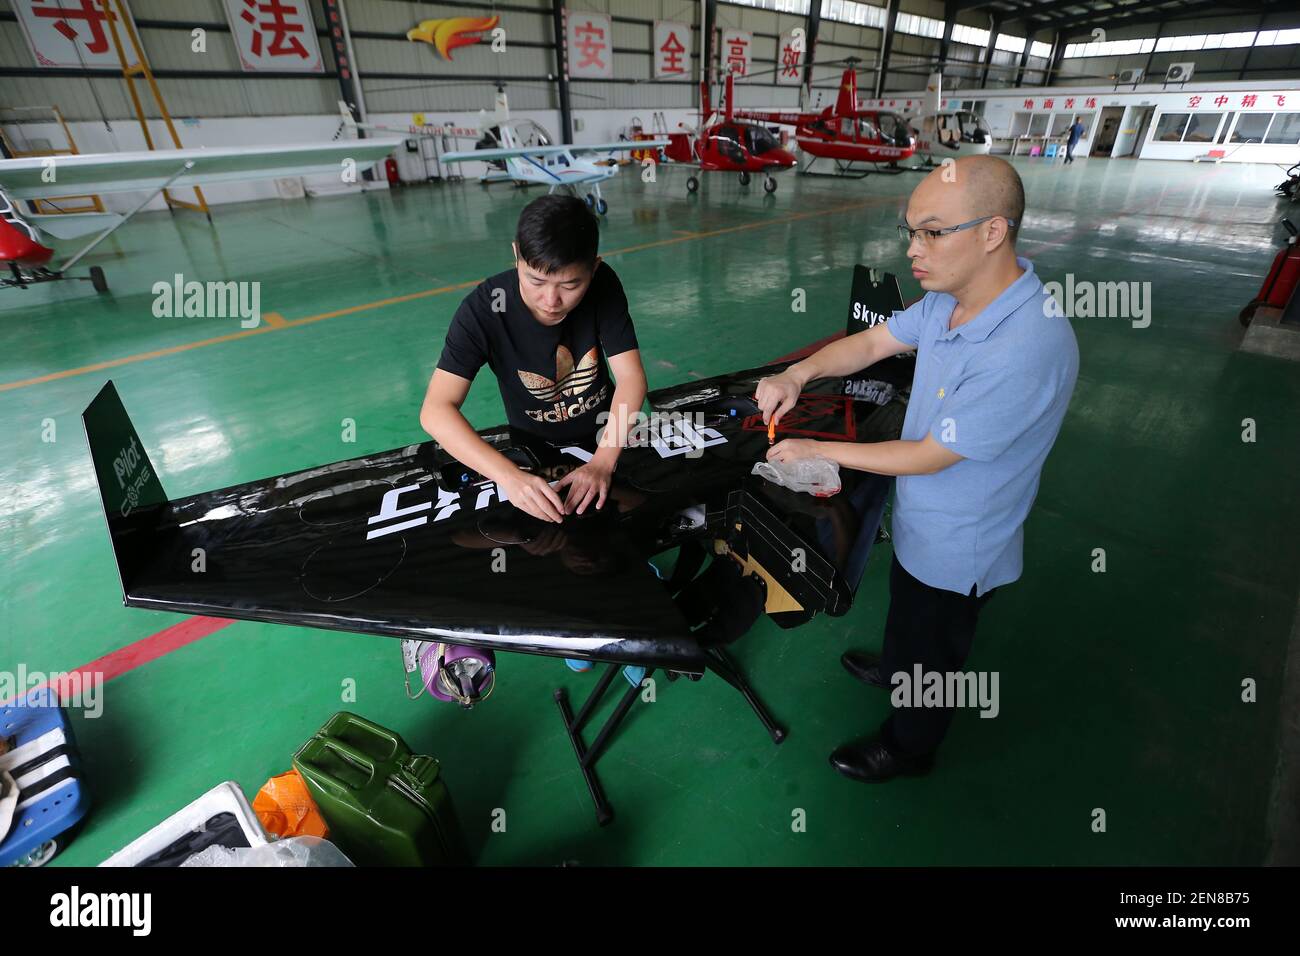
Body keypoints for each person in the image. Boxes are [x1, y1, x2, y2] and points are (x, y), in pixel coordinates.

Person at [755, 156, 1078, 783]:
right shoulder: (949, 300)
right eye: (911, 231)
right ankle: (900, 667)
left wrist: (822, 449)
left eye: (932, 231)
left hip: (964, 540)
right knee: (909, 612)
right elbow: (875, 342)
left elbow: (931, 454)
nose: (913, 249)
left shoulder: (1026, 347)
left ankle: (909, 746)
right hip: (925, 519)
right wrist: (798, 373)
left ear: (992, 232)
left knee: (935, 641)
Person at [420, 194, 647, 524]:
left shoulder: (604, 284)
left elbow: (630, 377)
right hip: (534, 450)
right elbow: (436, 410)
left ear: (594, 268)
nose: (551, 300)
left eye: (571, 284)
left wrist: (603, 461)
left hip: (608, 434)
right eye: (536, 281)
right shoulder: (485, 309)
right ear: (516, 255)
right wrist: (508, 476)